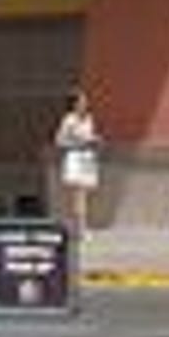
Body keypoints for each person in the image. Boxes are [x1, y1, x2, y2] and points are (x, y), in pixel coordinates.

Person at [52, 86, 103, 237]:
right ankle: (79, 229)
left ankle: (79, 227)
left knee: (84, 197)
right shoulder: (69, 120)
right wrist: (77, 143)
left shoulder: (88, 119)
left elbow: (89, 136)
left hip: (87, 158)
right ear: (74, 103)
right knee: (78, 196)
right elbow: (59, 141)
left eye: (85, 101)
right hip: (75, 157)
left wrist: (94, 140)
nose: (84, 103)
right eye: (81, 101)